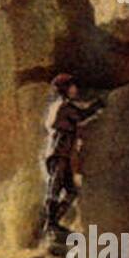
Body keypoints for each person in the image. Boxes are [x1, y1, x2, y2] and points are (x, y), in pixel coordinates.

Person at [40, 73, 105, 240]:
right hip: (59, 153)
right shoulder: (64, 107)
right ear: (65, 89)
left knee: (70, 191)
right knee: (55, 187)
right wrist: (98, 105)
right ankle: (51, 223)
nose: (75, 89)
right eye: (71, 86)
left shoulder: (60, 105)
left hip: (62, 154)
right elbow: (82, 115)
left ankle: (53, 222)